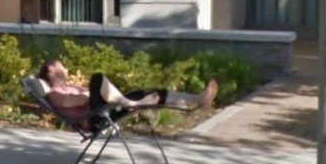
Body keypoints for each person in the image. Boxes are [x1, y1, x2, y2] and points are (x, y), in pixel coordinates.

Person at [37, 58, 218, 124]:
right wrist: (87, 94)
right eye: (62, 65)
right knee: (97, 78)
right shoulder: (53, 93)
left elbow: (89, 96)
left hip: (108, 109)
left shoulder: (71, 88)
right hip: (96, 118)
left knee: (148, 93)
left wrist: (86, 93)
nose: (66, 68)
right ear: (51, 70)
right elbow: (75, 102)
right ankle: (130, 104)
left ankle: (198, 99)